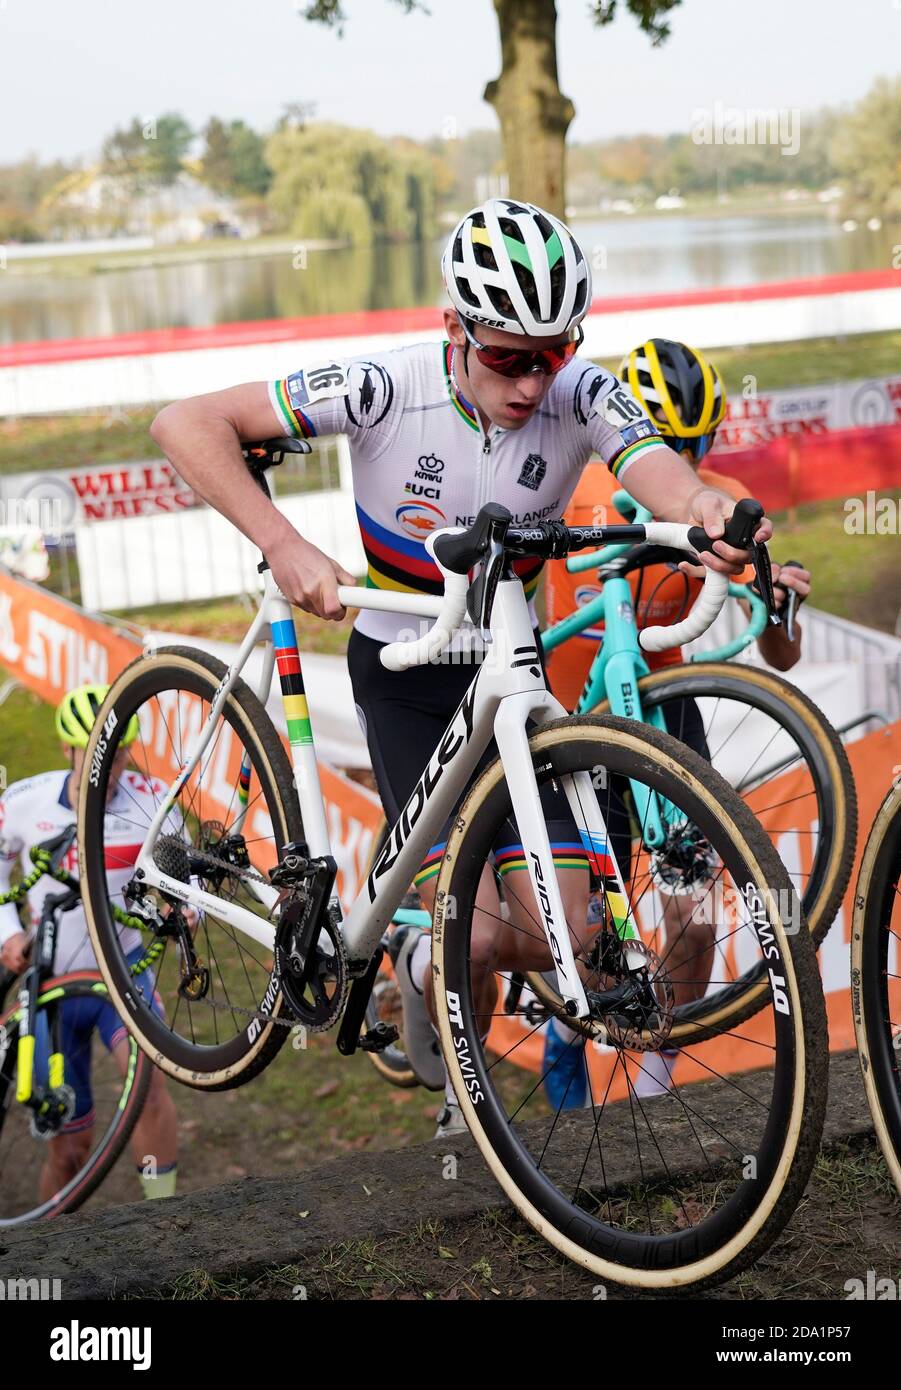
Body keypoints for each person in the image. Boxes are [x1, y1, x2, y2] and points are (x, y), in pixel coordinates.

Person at [149, 198, 772, 1137]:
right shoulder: (383, 386)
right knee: (475, 937)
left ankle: (452, 1010)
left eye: (550, 353)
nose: (531, 382)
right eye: (508, 357)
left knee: (567, 932)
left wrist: (707, 520)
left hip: (509, 671)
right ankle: (455, 1102)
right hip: (406, 664)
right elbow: (181, 421)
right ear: (453, 329)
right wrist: (282, 543)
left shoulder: (581, 392)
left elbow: (663, 473)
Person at [542, 338, 811, 1106]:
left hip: (666, 718)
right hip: (574, 716)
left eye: (693, 444)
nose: (679, 456)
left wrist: (779, 601)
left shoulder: (716, 493)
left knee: (692, 925)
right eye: (665, 441)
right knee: (587, 937)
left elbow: (780, 655)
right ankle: (565, 1028)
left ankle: (657, 1081)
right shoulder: (573, 478)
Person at [0, 686, 180, 1200]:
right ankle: (50, 1252)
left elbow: (184, 880)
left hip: (122, 974)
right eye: (95, 751)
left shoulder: (153, 800)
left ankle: (166, 1220)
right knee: (70, 1151)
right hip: (51, 988)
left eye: (120, 751)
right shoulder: (22, 802)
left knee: (147, 1087)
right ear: (67, 749)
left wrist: (181, 911)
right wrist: (9, 933)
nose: (110, 764)